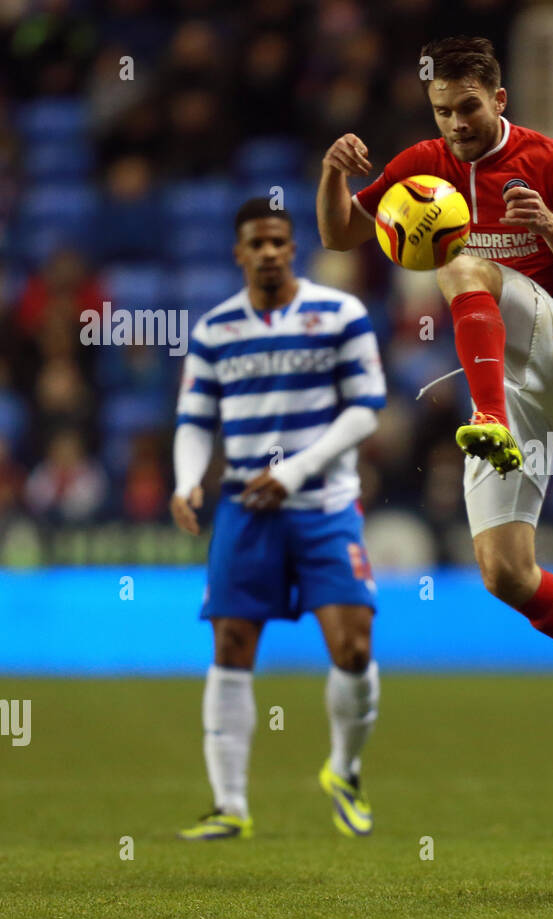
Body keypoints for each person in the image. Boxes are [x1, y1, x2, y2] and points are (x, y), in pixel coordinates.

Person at [317, 36, 553, 757]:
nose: (455, 124)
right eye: (442, 110)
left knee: (461, 267)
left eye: (468, 107)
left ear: (499, 100)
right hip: (512, 385)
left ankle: (485, 416)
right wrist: (331, 174)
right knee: (505, 572)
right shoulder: (422, 168)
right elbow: (339, 230)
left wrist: (547, 222)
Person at [170, 198, 385, 840]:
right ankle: (229, 803)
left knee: (353, 647)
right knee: (232, 645)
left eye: (277, 242)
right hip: (245, 509)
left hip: (323, 505)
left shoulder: (339, 314)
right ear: (238, 253)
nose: (267, 252)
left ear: (293, 248)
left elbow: (366, 409)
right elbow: (193, 420)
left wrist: (294, 469)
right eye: (255, 244)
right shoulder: (214, 331)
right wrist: (186, 481)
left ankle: (343, 770)